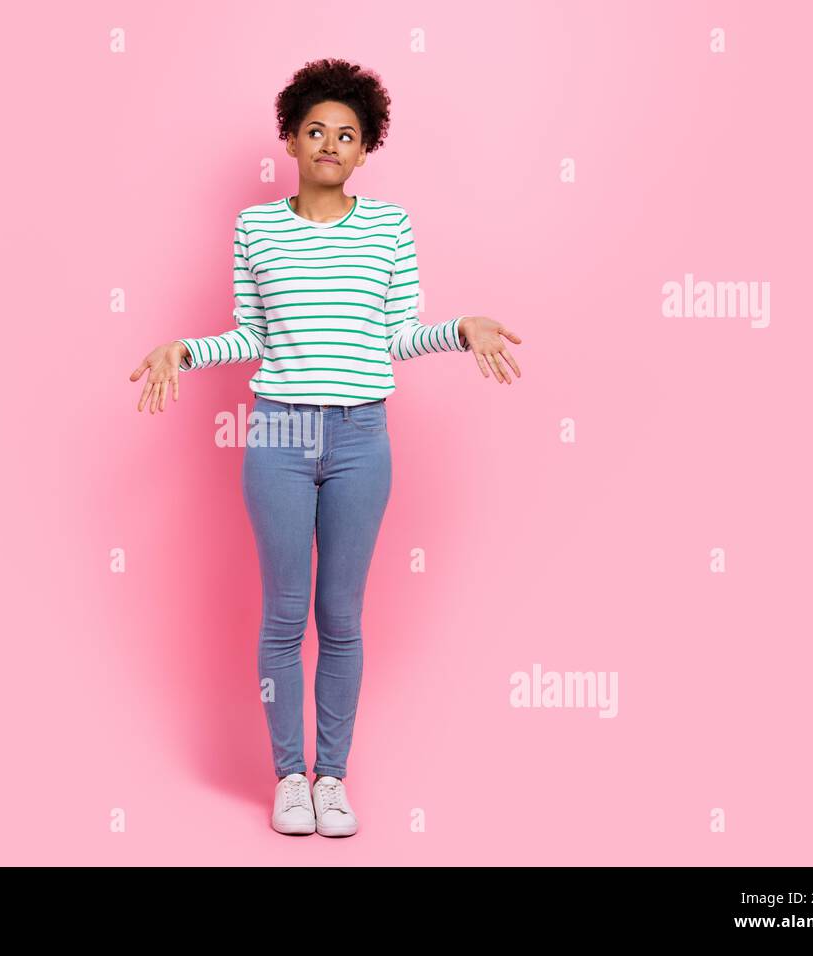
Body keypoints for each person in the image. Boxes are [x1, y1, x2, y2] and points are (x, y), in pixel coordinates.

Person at [129, 58, 522, 837]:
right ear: (292, 139)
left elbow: (400, 333)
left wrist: (458, 331)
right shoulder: (255, 228)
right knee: (282, 616)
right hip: (278, 428)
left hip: (359, 434)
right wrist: (184, 350)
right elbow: (251, 334)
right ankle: (288, 779)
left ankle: (332, 776)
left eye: (347, 134)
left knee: (340, 615)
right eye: (316, 131)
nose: (330, 144)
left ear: (367, 146)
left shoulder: (390, 227)